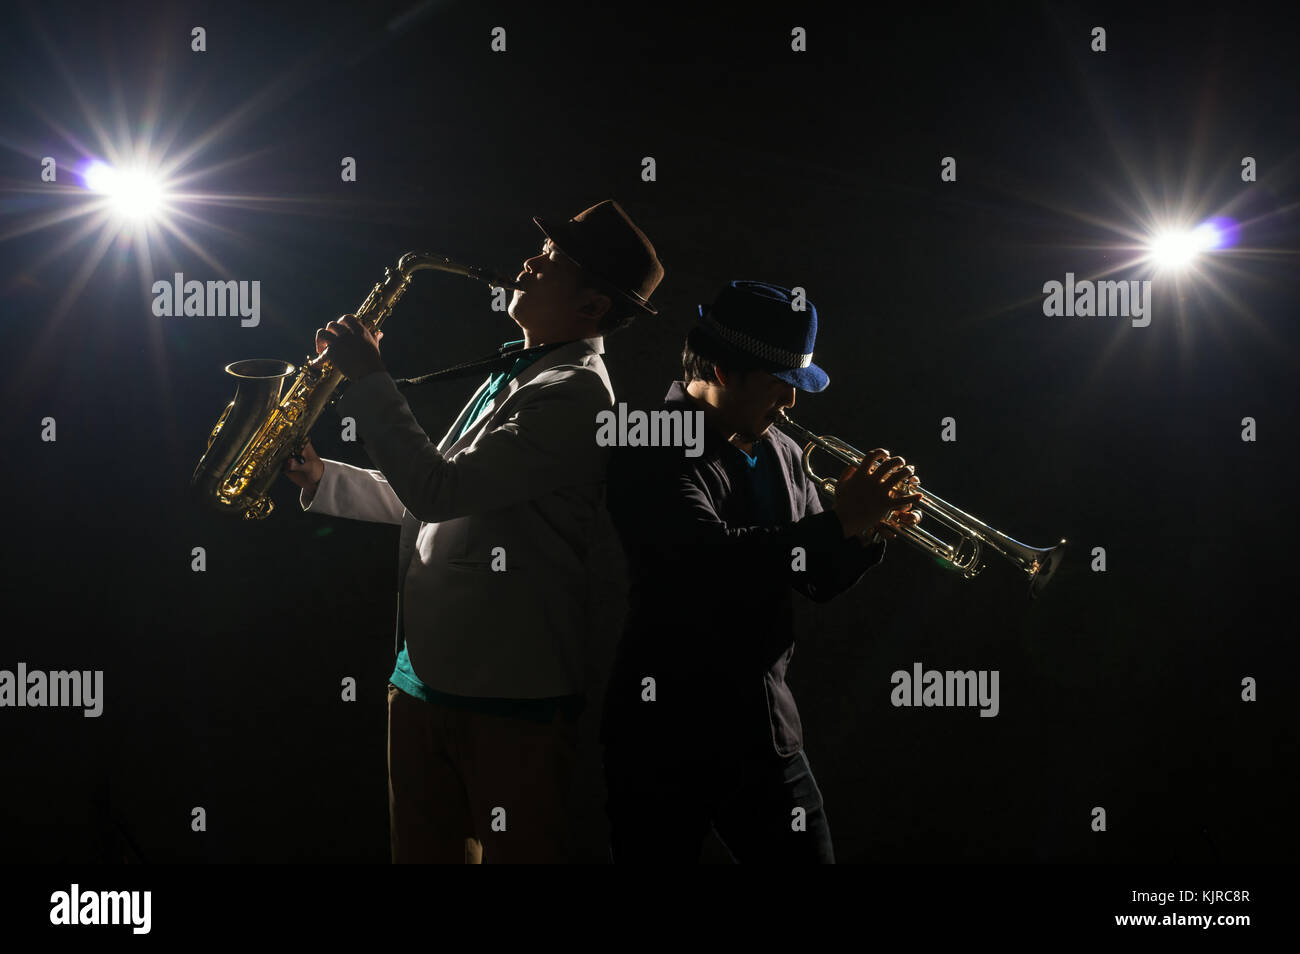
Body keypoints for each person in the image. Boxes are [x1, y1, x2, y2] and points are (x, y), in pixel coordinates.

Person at [283, 200, 663, 863]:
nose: (528, 261)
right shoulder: (524, 368)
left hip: (506, 697)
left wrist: (370, 379)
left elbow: (438, 492)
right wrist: (325, 477)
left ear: (593, 307)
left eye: (551, 260)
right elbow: (438, 492)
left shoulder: (575, 393)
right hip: (424, 678)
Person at [600, 280, 921, 863]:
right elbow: (704, 563)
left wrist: (865, 532)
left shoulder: (782, 452)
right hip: (662, 734)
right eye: (780, 385)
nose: (791, 405)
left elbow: (814, 579)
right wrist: (839, 521)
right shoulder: (644, 436)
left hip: (765, 731)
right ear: (724, 370)